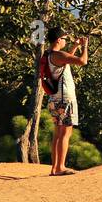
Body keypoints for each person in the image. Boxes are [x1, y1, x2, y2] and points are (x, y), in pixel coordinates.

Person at [40, 26, 88, 176]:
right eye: (65, 39)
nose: (66, 41)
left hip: (54, 99)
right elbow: (82, 61)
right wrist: (85, 47)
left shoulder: (48, 55)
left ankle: (55, 168)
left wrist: (75, 46)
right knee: (65, 133)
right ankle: (60, 167)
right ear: (58, 40)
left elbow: (65, 60)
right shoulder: (58, 55)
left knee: (58, 134)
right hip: (65, 98)